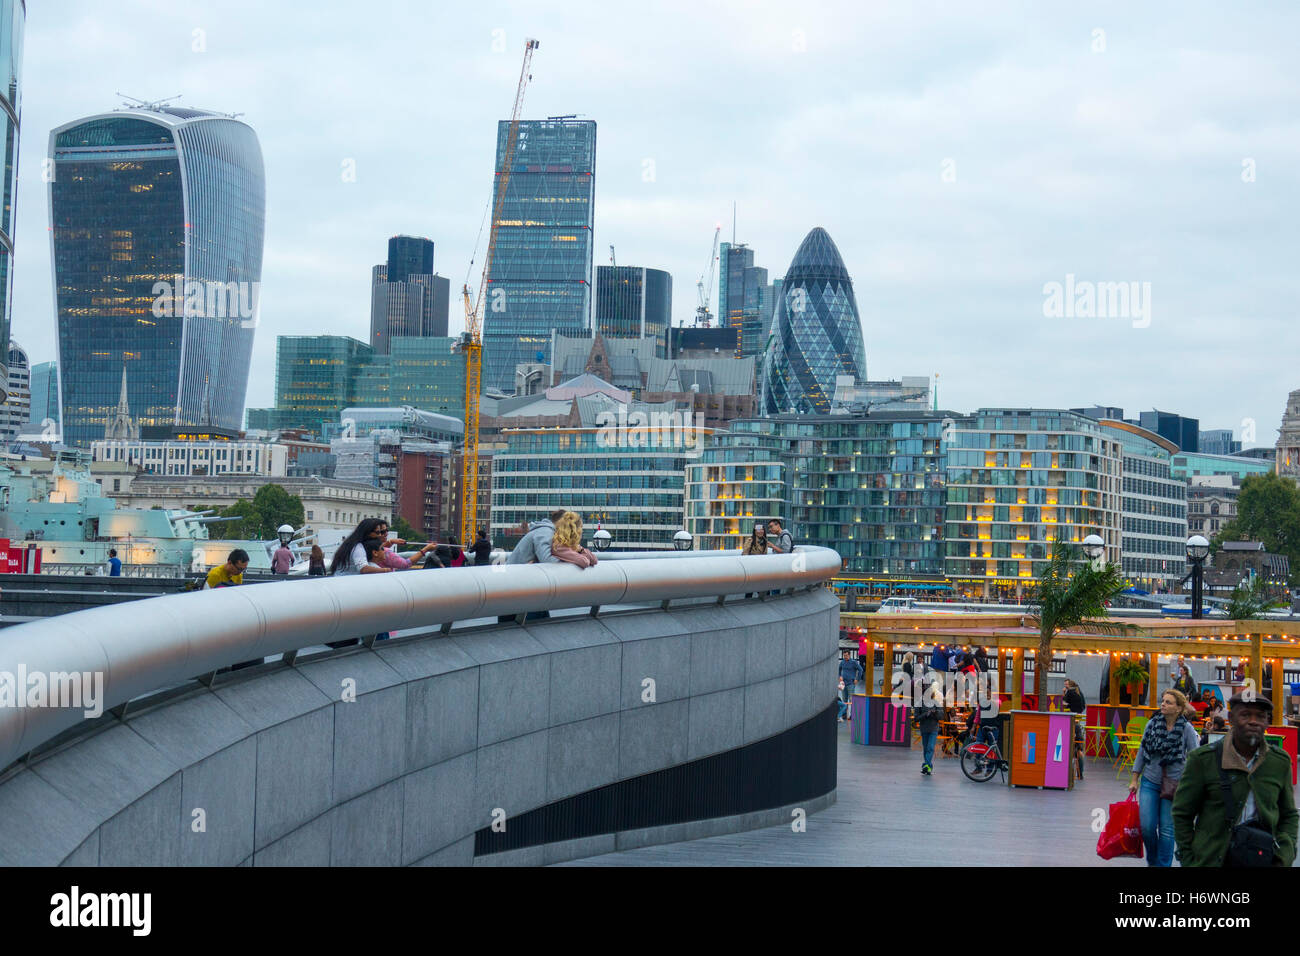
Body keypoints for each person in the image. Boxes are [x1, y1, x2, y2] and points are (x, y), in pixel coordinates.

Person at [1173, 693, 1298, 868]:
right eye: (1245, 715)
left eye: (1260, 716)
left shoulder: (1279, 762)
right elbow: (1182, 813)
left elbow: (1289, 815)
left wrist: (1285, 854)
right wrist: (1188, 859)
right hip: (1212, 859)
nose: (1253, 721)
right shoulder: (1202, 760)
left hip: (1263, 858)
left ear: (1267, 722)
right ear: (1231, 718)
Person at [1128, 689, 1201, 867]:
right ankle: (1153, 861)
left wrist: (1192, 785)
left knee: (1167, 830)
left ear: (1178, 708)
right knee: (1147, 827)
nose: (1163, 704)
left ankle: (1162, 865)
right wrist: (1134, 779)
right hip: (1150, 781)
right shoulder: (1152, 724)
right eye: (1163, 701)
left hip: (1175, 785)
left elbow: (1195, 757)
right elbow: (1142, 752)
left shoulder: (1186, 729)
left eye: (1168, 702)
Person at [499, 510, 564, 622]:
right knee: (536, 624)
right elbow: (548, 560)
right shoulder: (545, 532)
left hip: (516, 587)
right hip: (519, 590)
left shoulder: (544, 531)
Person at [914, 675, 944, 775]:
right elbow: (916, 718)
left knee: (930, 747)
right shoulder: (919, 703)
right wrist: (925, 715)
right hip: (924, 728)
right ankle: (928, 766)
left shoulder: (936, 703)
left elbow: (941, 716)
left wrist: (935, 713)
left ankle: (926, 765)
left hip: (934, 729)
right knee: (926, 748)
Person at [1062, 678, 1087, 779]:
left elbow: (1064, 703)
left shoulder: (1070, 692)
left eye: (1066, 684)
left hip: (1073, 715)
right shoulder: (1078, 690)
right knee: (1079, 747)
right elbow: (1083, 703)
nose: (1065, 686)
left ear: (1070, 684)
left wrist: (1064, 693)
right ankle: (1080, 774)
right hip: (1079, 714)